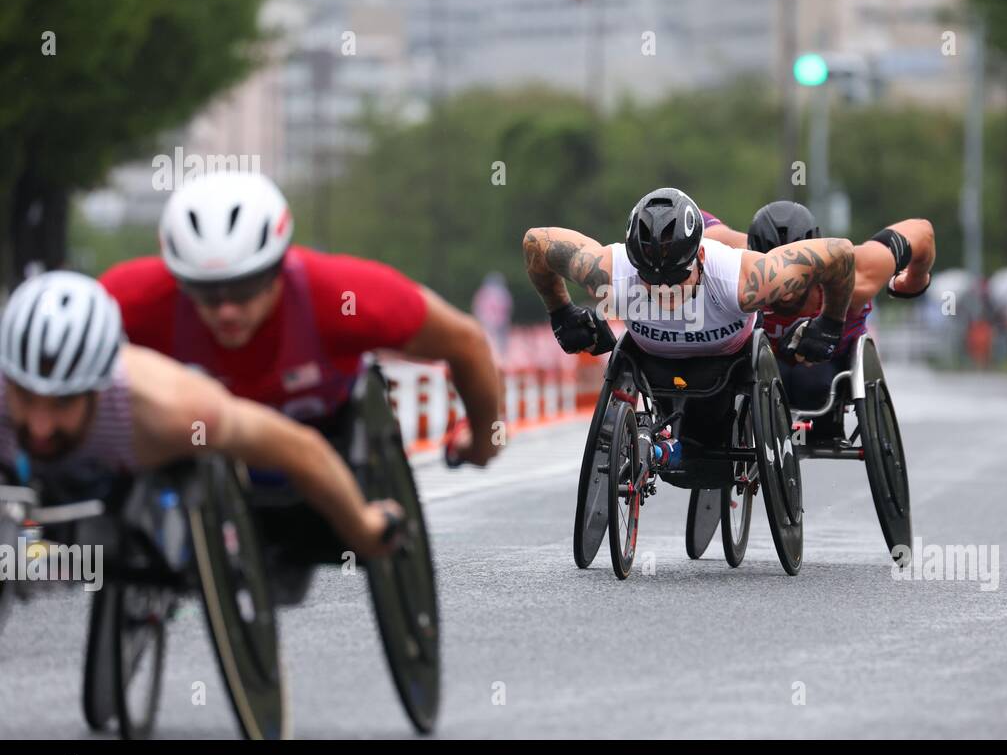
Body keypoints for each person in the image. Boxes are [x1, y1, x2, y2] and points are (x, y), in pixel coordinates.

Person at [99, 171, 501, 466]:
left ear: (278, 267)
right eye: (205, 292)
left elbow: (465, 342)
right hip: (194, 445)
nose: (226, 310)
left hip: (324, 435)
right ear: (177, 277)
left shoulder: (341, 295)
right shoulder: (132, 298)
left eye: (243, 288)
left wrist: (482, 442)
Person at [0, 271, 400, 559]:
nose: (39, 426)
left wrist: (362, 527)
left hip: (137, 465)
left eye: (62, 404)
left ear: (98, 388)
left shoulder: (178, 409)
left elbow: (298, 448)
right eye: (25, 397)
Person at [522, 188, 856, 458]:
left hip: (728, 366)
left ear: (701, 255)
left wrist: (830, 322)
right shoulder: (608, 272)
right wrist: (561, 312)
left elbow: (840, 253)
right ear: (633, 262)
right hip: (652, 364)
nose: (664, 288)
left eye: (676, 277)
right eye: (650, 278)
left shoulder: (744, 280)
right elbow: (535, 241)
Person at [700, 201, 934, 434]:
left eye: (797, 277)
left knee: (809, 382)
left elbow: (922, 232)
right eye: (774, 279)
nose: (787, 292)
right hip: (757, 368)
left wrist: (914, 280)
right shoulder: (731, 258)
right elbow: (681, 215)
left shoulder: (858, 273)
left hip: (825, 369)